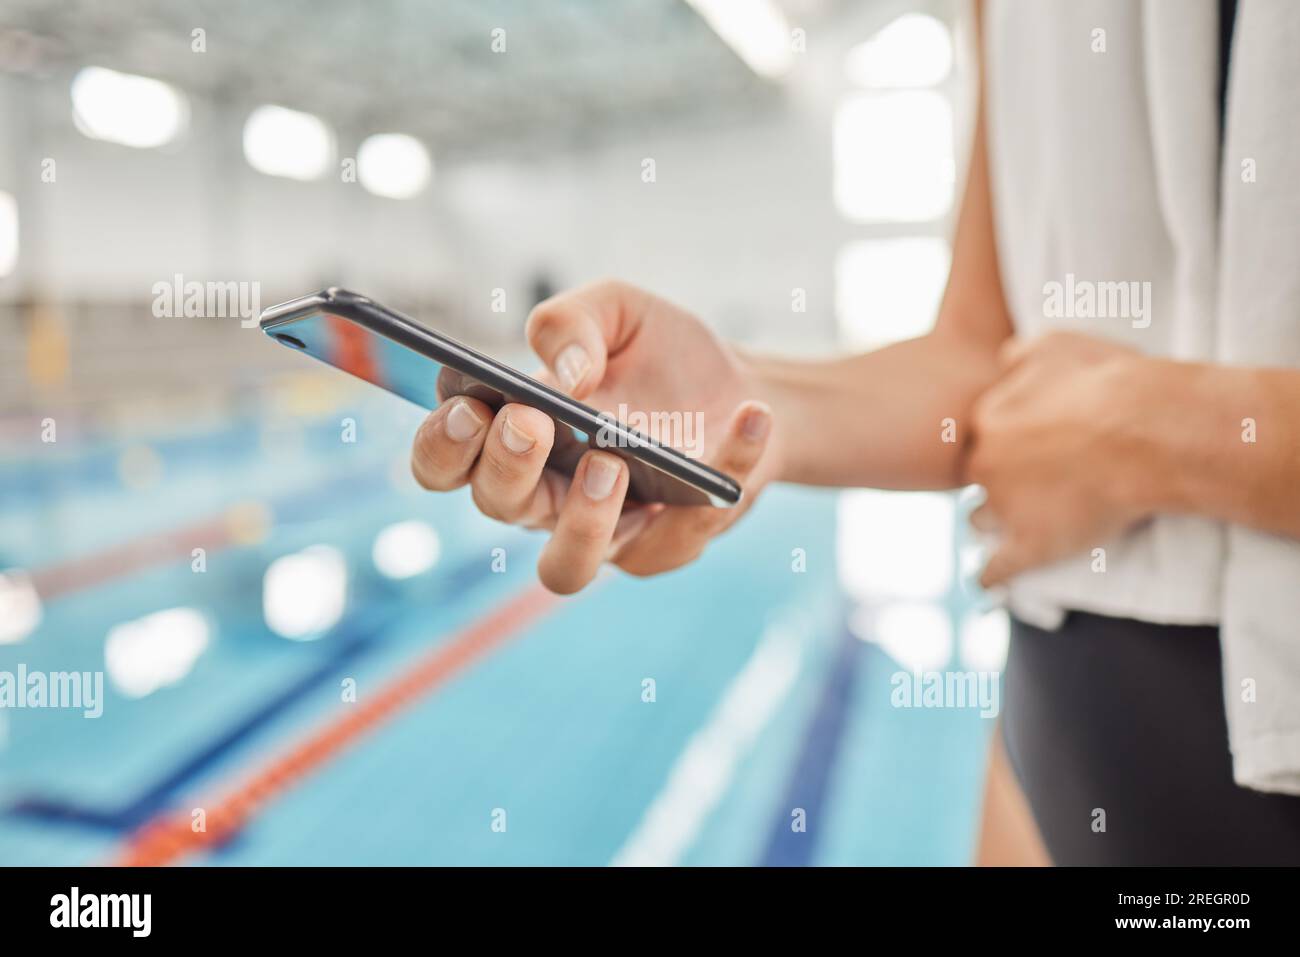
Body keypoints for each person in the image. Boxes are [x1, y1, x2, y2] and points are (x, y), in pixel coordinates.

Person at [408, 0, 1300, 864]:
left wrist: (1173, 438)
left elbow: (1085, 420)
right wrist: (750, 407)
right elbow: (983, 358)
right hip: (1056, 752)